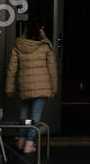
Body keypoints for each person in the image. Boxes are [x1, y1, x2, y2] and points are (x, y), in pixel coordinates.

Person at [4, 19, 58, 156]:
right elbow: (52, 69)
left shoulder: (19, 45)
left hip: (24, 87)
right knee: (35, 117)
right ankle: (29, 143)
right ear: (41, 29)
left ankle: (21, 141)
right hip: (42, 87)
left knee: (25, 116)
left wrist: (9, 88)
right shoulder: (45, 46)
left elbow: (11, 69)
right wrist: (53, 88)